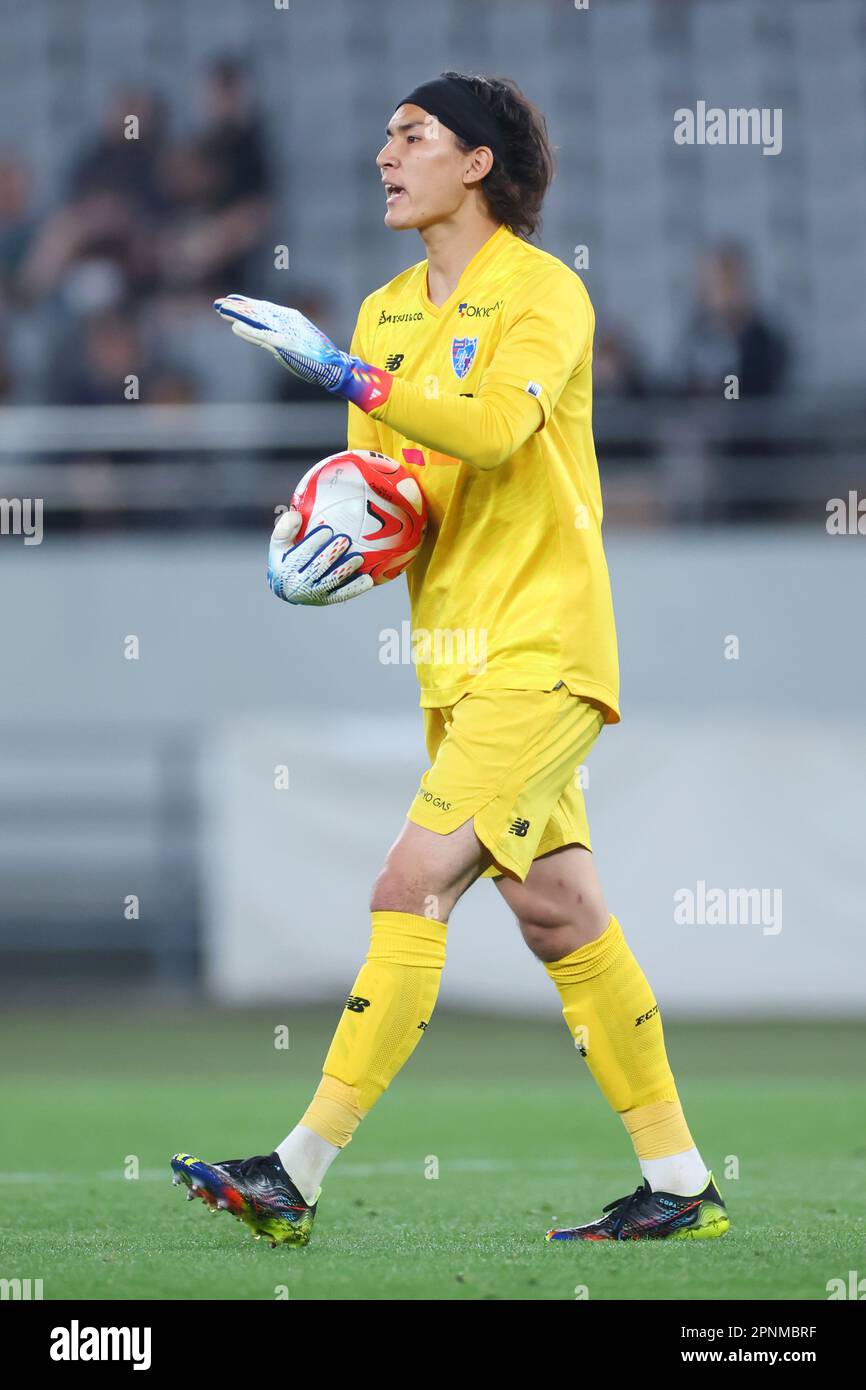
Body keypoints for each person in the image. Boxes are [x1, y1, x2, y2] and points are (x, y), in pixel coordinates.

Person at [171, 72, 730, 1247]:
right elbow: (403, 494)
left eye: (411, 135)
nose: (385, 153)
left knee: (405, 882)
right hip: (454, 660)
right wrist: (321, 544)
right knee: (560, 917)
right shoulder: (378, 312)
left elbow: (488, 430)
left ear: (476, 163)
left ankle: (293, 1167)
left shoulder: (543, 292)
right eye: (384, 135)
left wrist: (338, 376)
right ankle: (678, 1181)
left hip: (543, 649)